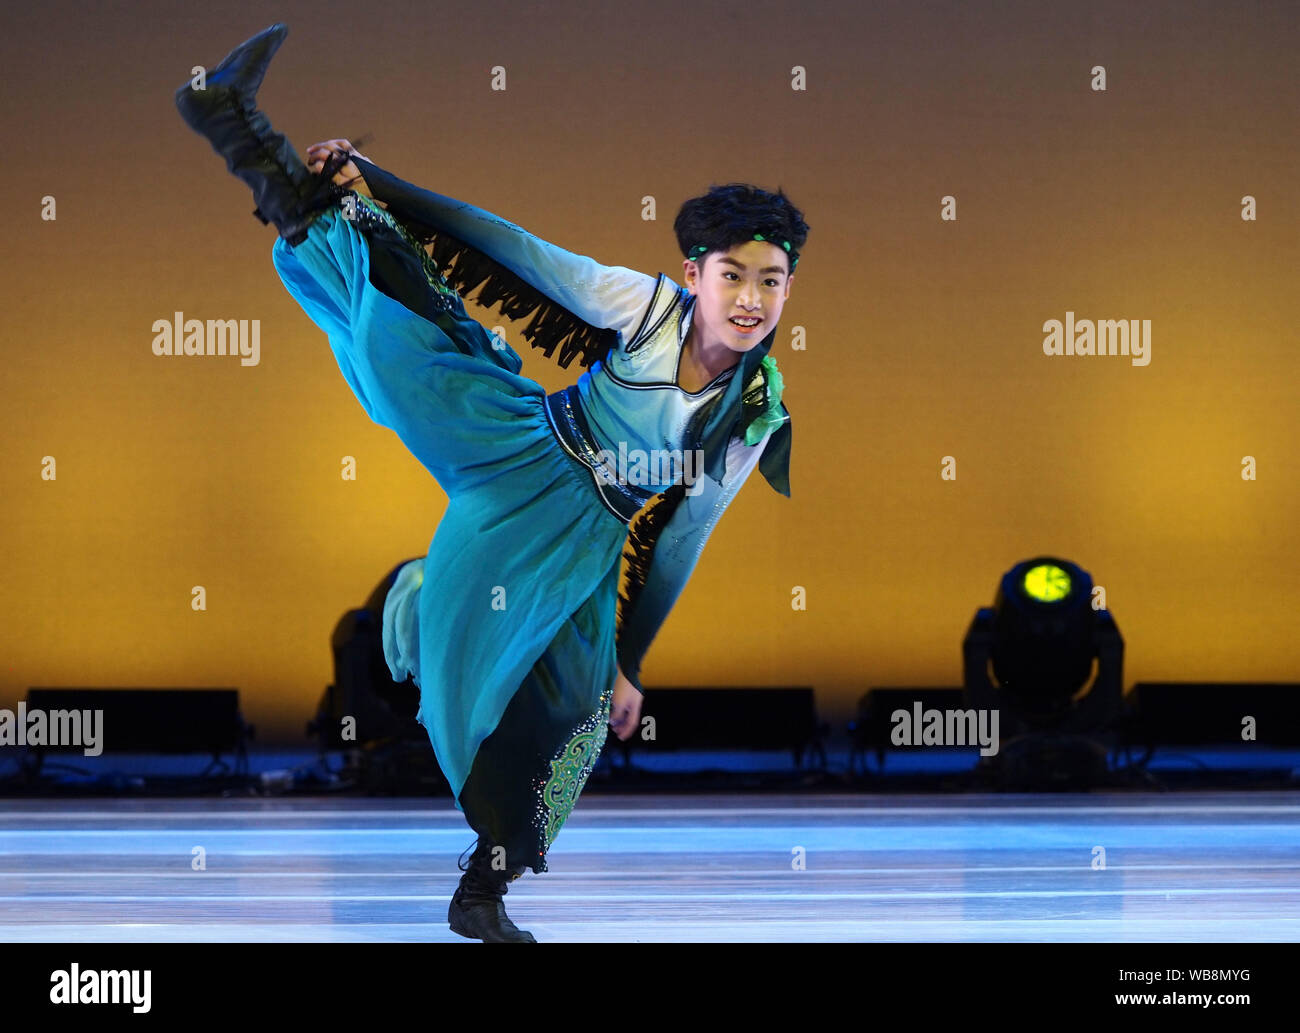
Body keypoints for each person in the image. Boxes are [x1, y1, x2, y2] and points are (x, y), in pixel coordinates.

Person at [174, 23, 807, 943]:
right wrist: (376, 182)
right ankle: (234, 125)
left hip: (587, 538)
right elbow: (508, 249)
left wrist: (629, 663)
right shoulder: (647, 307)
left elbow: (677, 541)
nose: (751, 297)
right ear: (694, 274)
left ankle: (484, 890)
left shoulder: (754, 414)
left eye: (773, 280)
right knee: (404, 327)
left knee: (573, 722)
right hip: (515, 445)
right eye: (734, 274)